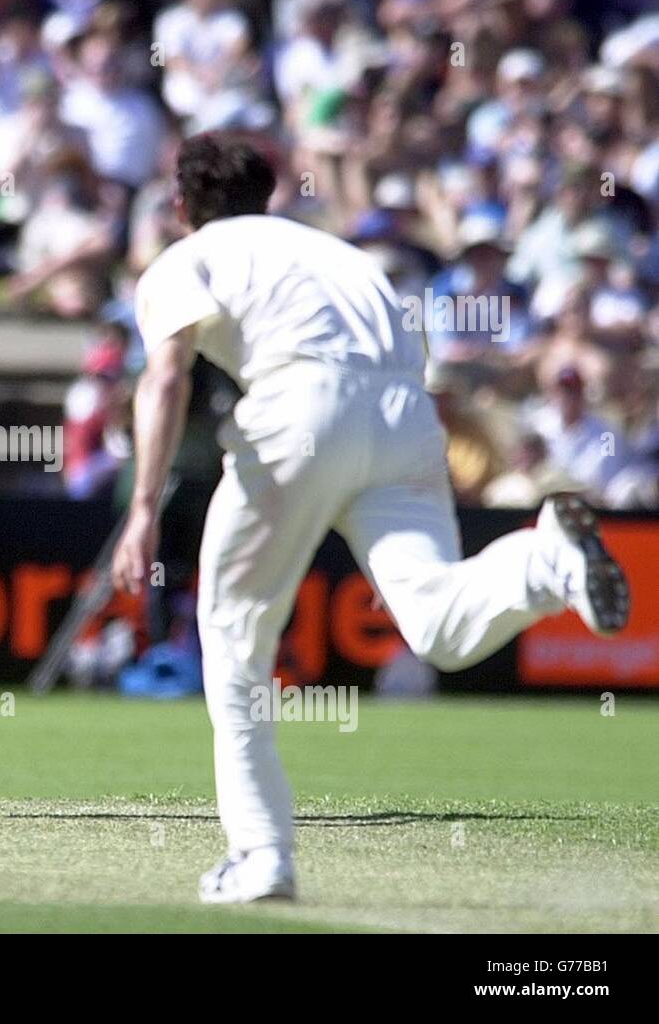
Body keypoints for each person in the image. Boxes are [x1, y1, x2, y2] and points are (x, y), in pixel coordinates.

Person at [112, 135, 630, 905]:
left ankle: (261, 855)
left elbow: (163, 378)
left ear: (183, 207)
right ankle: (541, 561)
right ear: (270, 195)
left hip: (300, 407)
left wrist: (143, 506)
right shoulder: (336, 253)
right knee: (440, 626)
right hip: (402, 413)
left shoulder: (187, 257)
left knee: (232, 633)